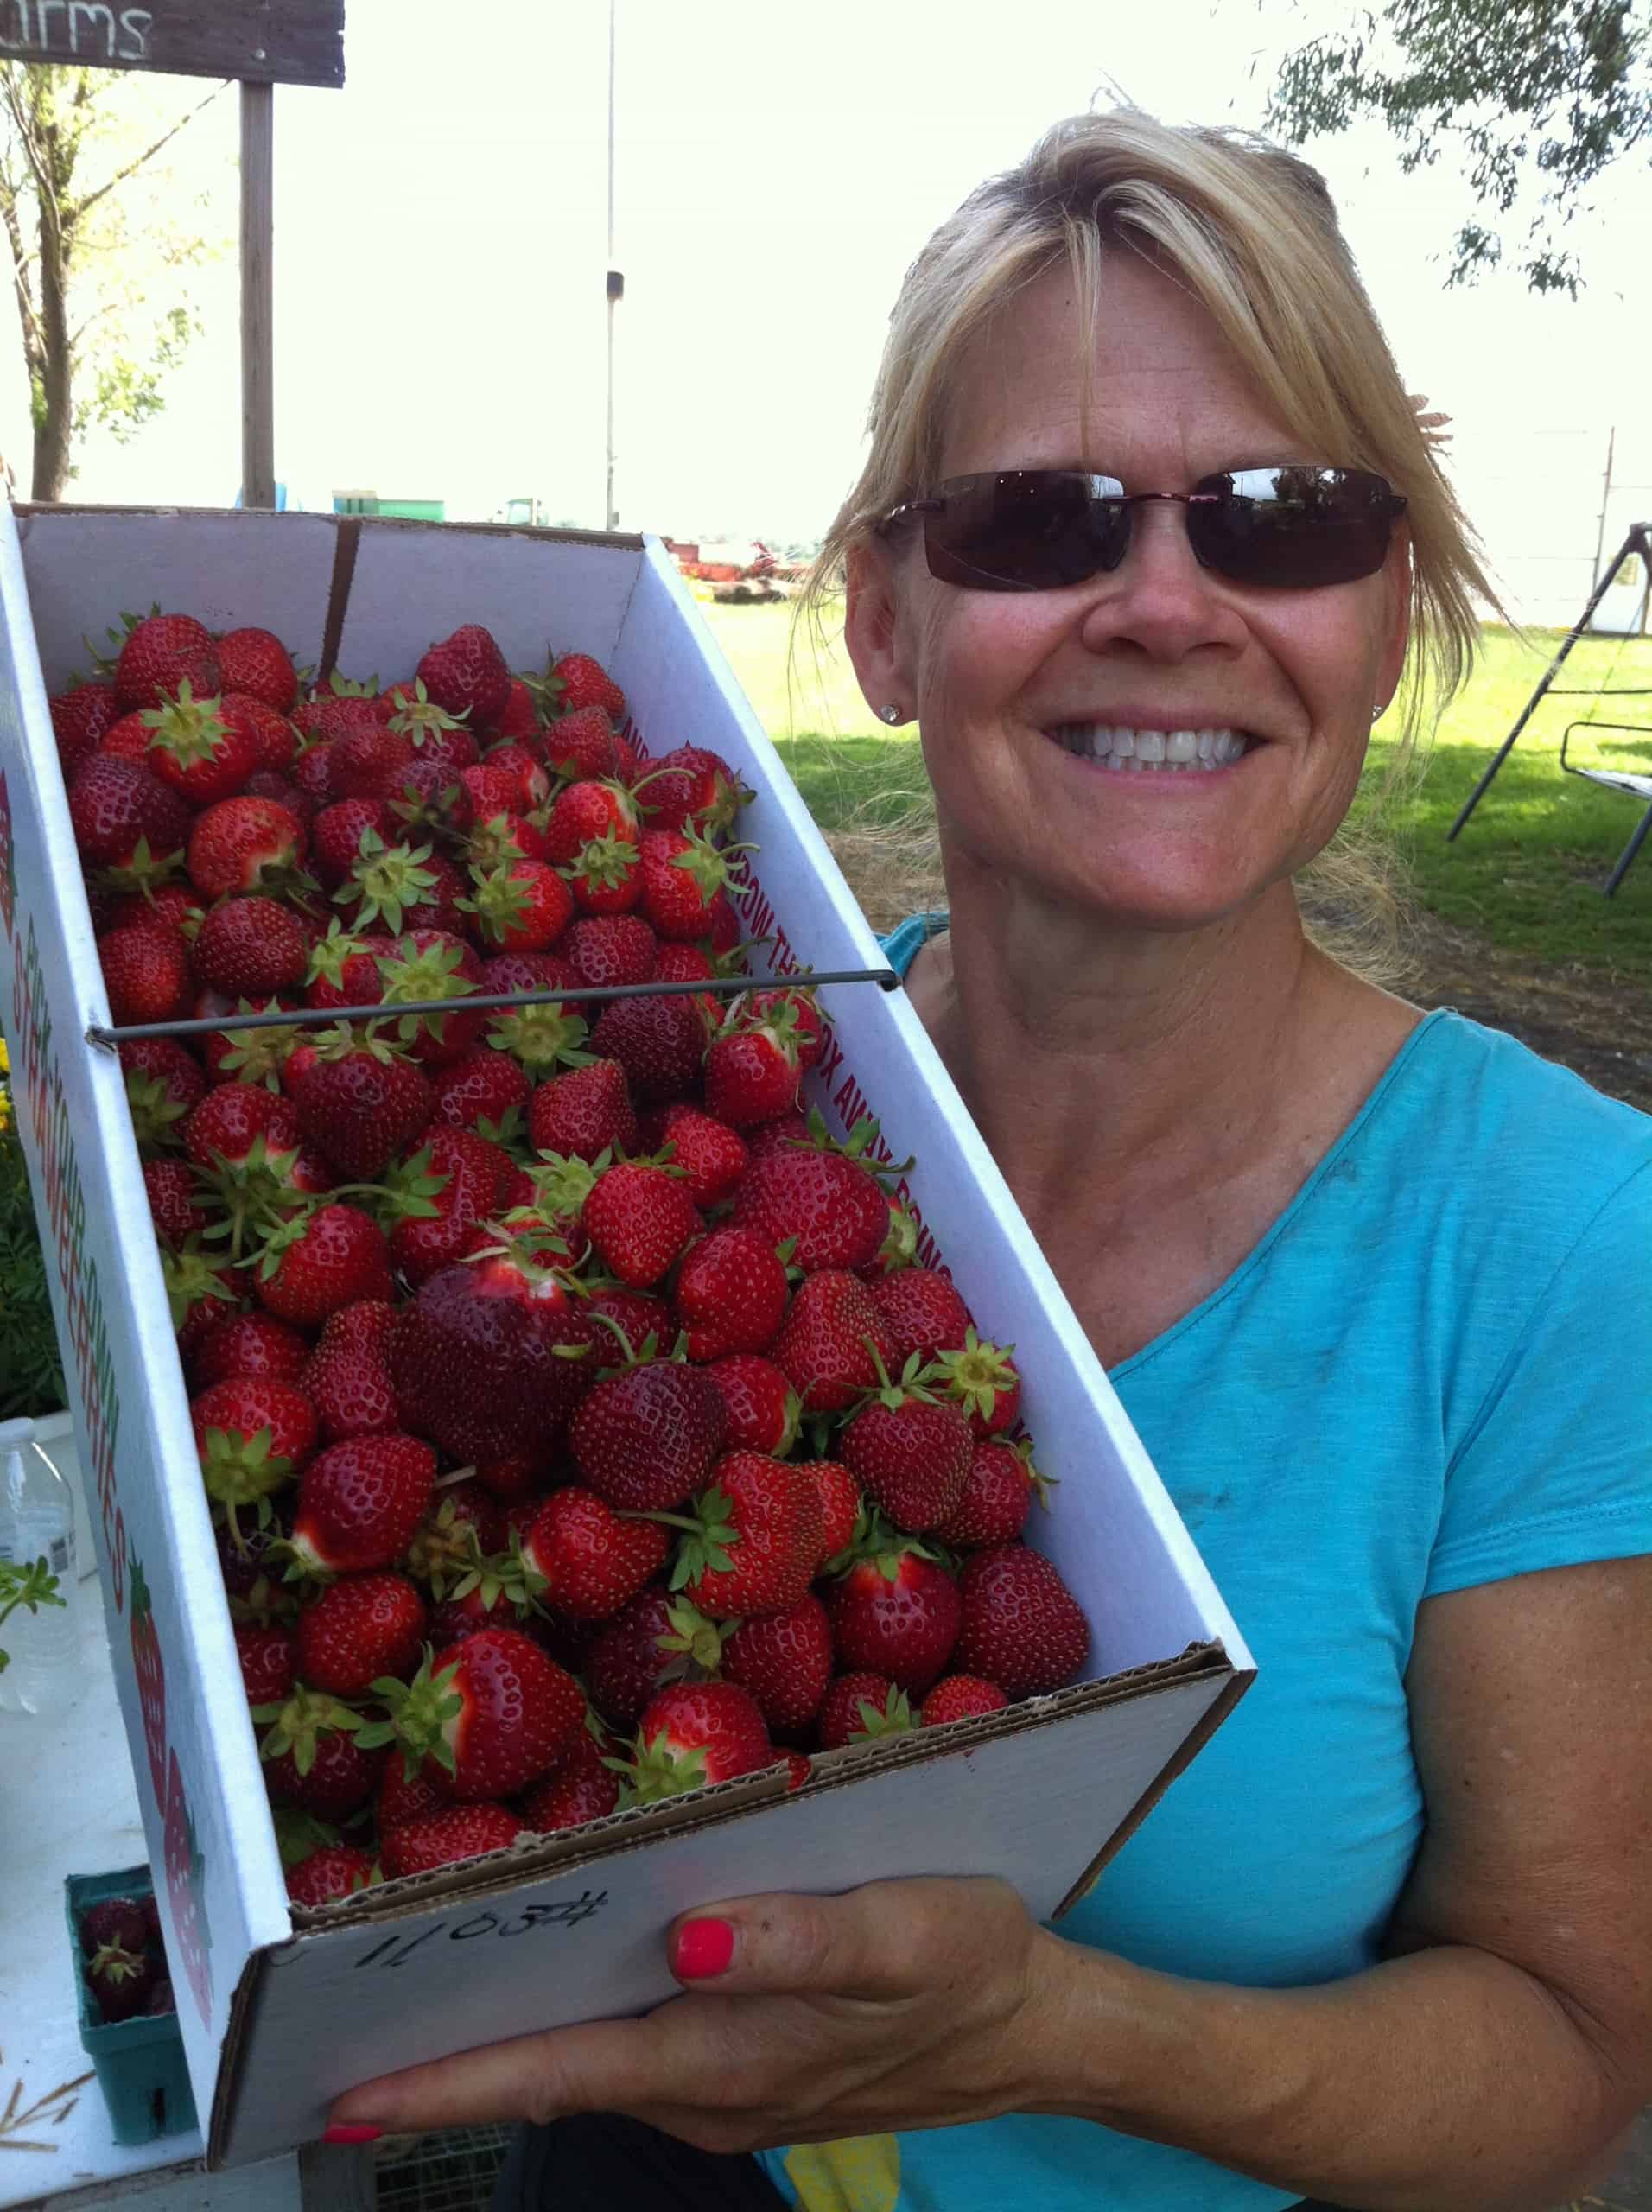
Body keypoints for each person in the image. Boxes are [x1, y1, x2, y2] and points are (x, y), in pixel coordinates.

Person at [327, 109, 1652, 2212]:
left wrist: (1053, 2029)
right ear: (881, 619)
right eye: (1039, 520)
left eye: (1279, 517)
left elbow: (1572, 2066)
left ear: (1381, 608)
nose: (1161, 600)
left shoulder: (1563, 1243)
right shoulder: (723, 1091)